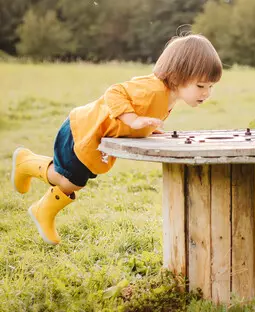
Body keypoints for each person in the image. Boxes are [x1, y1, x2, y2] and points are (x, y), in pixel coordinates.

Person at [11, 34, 222, 245]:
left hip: (95, 135)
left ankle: (33, 183)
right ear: (177, 77)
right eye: (201, 86)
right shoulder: (153, 89)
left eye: (211, 86)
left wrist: (147, 127)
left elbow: (144, 114)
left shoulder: (170, 96)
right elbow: (115, 92)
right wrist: (133, 119)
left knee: (74, 179)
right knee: (70, 180)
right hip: (82, 129)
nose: (207, 93)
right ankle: (31, 178)